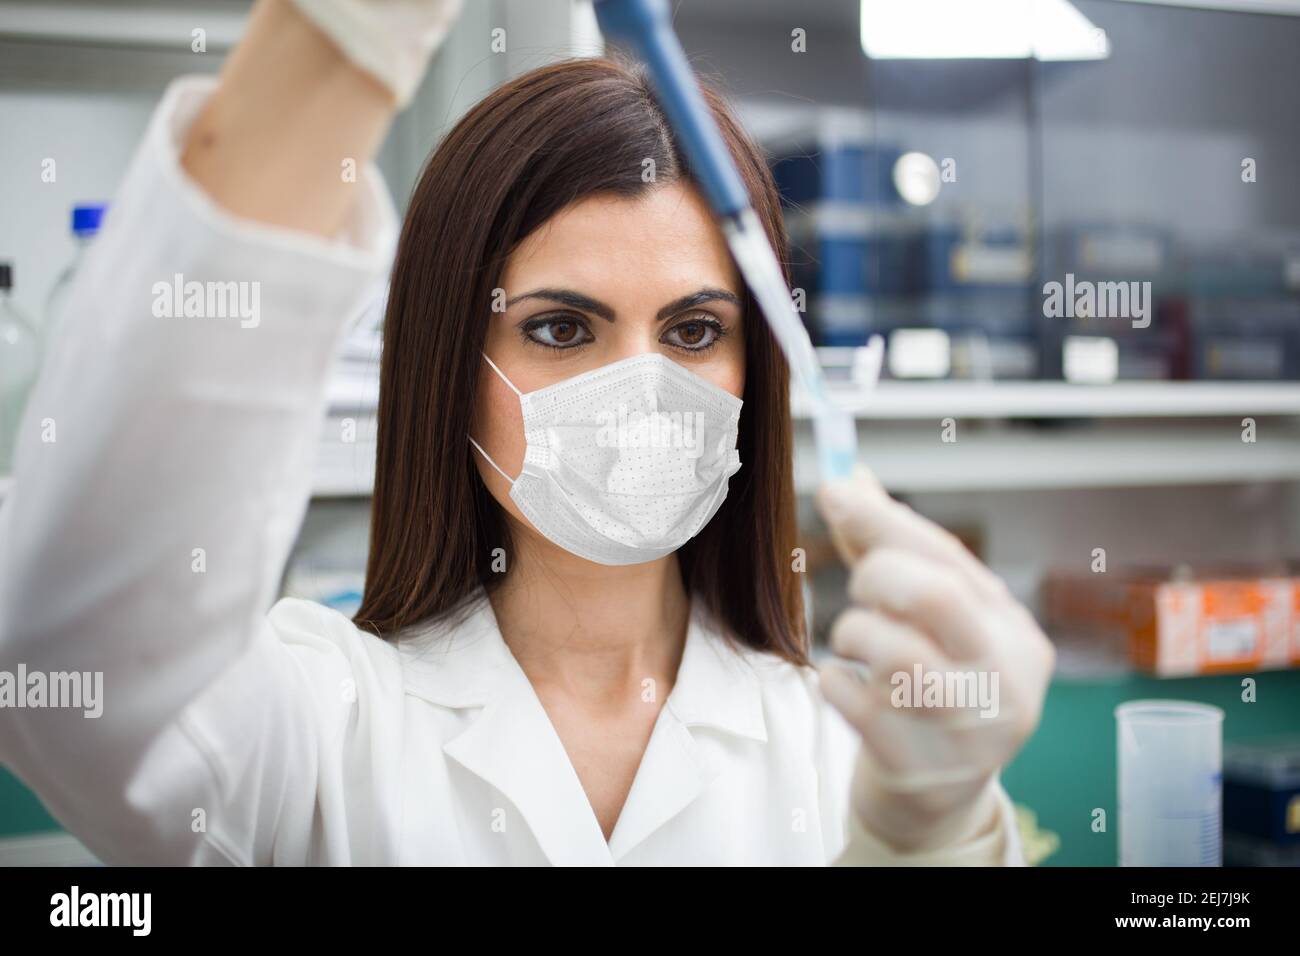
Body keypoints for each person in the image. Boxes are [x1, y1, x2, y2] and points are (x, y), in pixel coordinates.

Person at [0, 0, 1054, 865]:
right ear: (449, 369)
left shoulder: (842, 755)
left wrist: (935, 837)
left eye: (693, 331)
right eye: (560, 327)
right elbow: (72, 667)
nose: (641, 395)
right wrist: (339, 37)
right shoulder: (320, 725)